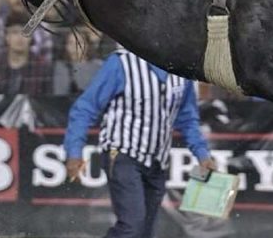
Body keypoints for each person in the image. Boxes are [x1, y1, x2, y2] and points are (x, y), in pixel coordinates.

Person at [64, 49, 215, 238]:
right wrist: (74, 151)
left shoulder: (183, 70)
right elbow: (86, 107)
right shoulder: (123, 63)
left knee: (144, 231)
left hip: (157, 160)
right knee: (131, 226)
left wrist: (202, 154)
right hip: (121, 152)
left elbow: (187, 118)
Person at [52, 25, 105, 96]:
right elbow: (60, 94)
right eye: (71, 43)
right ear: (65, 46)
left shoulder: (99, 65)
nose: (75, 46)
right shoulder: (62, 67)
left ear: (87, 45)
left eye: (79, 42)